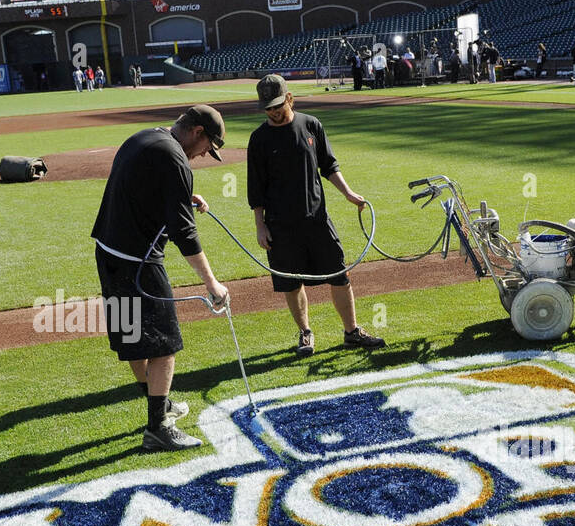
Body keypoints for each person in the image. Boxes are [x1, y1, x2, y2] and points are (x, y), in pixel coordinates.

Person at [91, 105, 229, 452]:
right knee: (165, 344)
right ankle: (158, 428)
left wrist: (179, 196)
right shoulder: (173, 157)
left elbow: (139, 189)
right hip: (138, 262)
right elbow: (185, 232)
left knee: (134, 338)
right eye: (206, 148)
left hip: (108, 252)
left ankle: (161, 405)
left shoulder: (145, 137)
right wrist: (211, 283)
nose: (202, 156)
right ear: (197, 132)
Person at [247, 75, 383, 356]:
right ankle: (305, 333)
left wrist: (348, 193)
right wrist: (260, 226)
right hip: (280, 226)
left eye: (276, 105)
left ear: (290, 98)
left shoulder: (311, 125)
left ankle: (352, 331)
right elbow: (255, 188)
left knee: (339, 274)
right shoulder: (259, 139)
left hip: (318, 219)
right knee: (291, 282)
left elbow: (329, 165)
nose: (272, 112)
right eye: (267, 108)